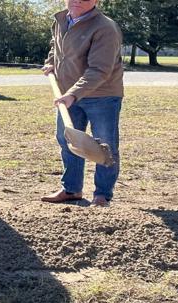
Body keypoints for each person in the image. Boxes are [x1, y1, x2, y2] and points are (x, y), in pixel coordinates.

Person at [39, 0, 124, 207]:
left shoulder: (105, 28)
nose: (77, 0)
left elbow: (100, 70)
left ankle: (102, 195)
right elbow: (57, 46)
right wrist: (51, 62)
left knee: (105, 145)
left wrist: (73, 94)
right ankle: (71, 189)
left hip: (102, 95)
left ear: (96, 1)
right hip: (67, 94)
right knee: (67, 140)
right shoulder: (61, 19)